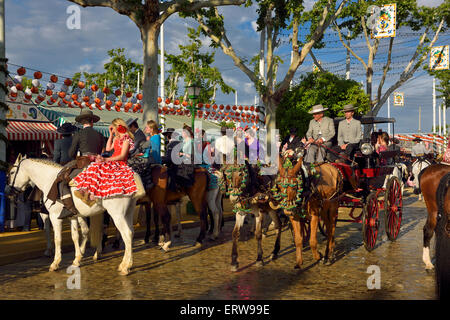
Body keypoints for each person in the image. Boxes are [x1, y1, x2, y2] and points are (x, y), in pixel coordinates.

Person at [48, 109, 105, 219]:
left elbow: (71, 153)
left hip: (84, 162)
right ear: (92, 122)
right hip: (98, 163)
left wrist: (76, 158)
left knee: (62, 181)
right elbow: (101, 150)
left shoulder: (78, 134)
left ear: (82, 122)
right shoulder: (99, 134)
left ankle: (69, 208)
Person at [73, 118, 137, 199]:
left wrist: (106, 159)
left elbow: (122, 156)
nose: (112, 130)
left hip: (120, 162)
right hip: (113, 160)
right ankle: (87, 190)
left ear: (117, 127)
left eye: (112, 128)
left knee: (99, 168)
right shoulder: (116, 138)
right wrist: (110, 135)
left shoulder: (126, 139)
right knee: (94, 166)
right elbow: (108, 148)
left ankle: (93, 195)